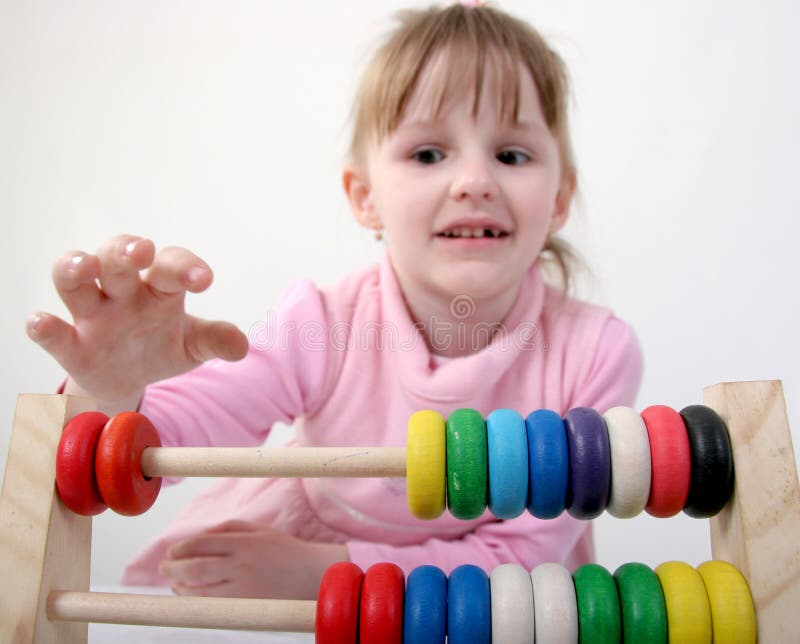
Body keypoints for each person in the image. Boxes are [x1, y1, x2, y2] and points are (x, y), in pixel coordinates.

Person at [27, 2, 643, 599]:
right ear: (364, 195)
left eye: (512, 154)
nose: (474, 181)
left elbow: (522, 558)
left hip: (462, 599)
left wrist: (325, 574)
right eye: (428, 153)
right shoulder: (321, 323)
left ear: (559, 197)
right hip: (280, 569)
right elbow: (188, 429)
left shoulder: (594, 353)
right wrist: (119, 394)